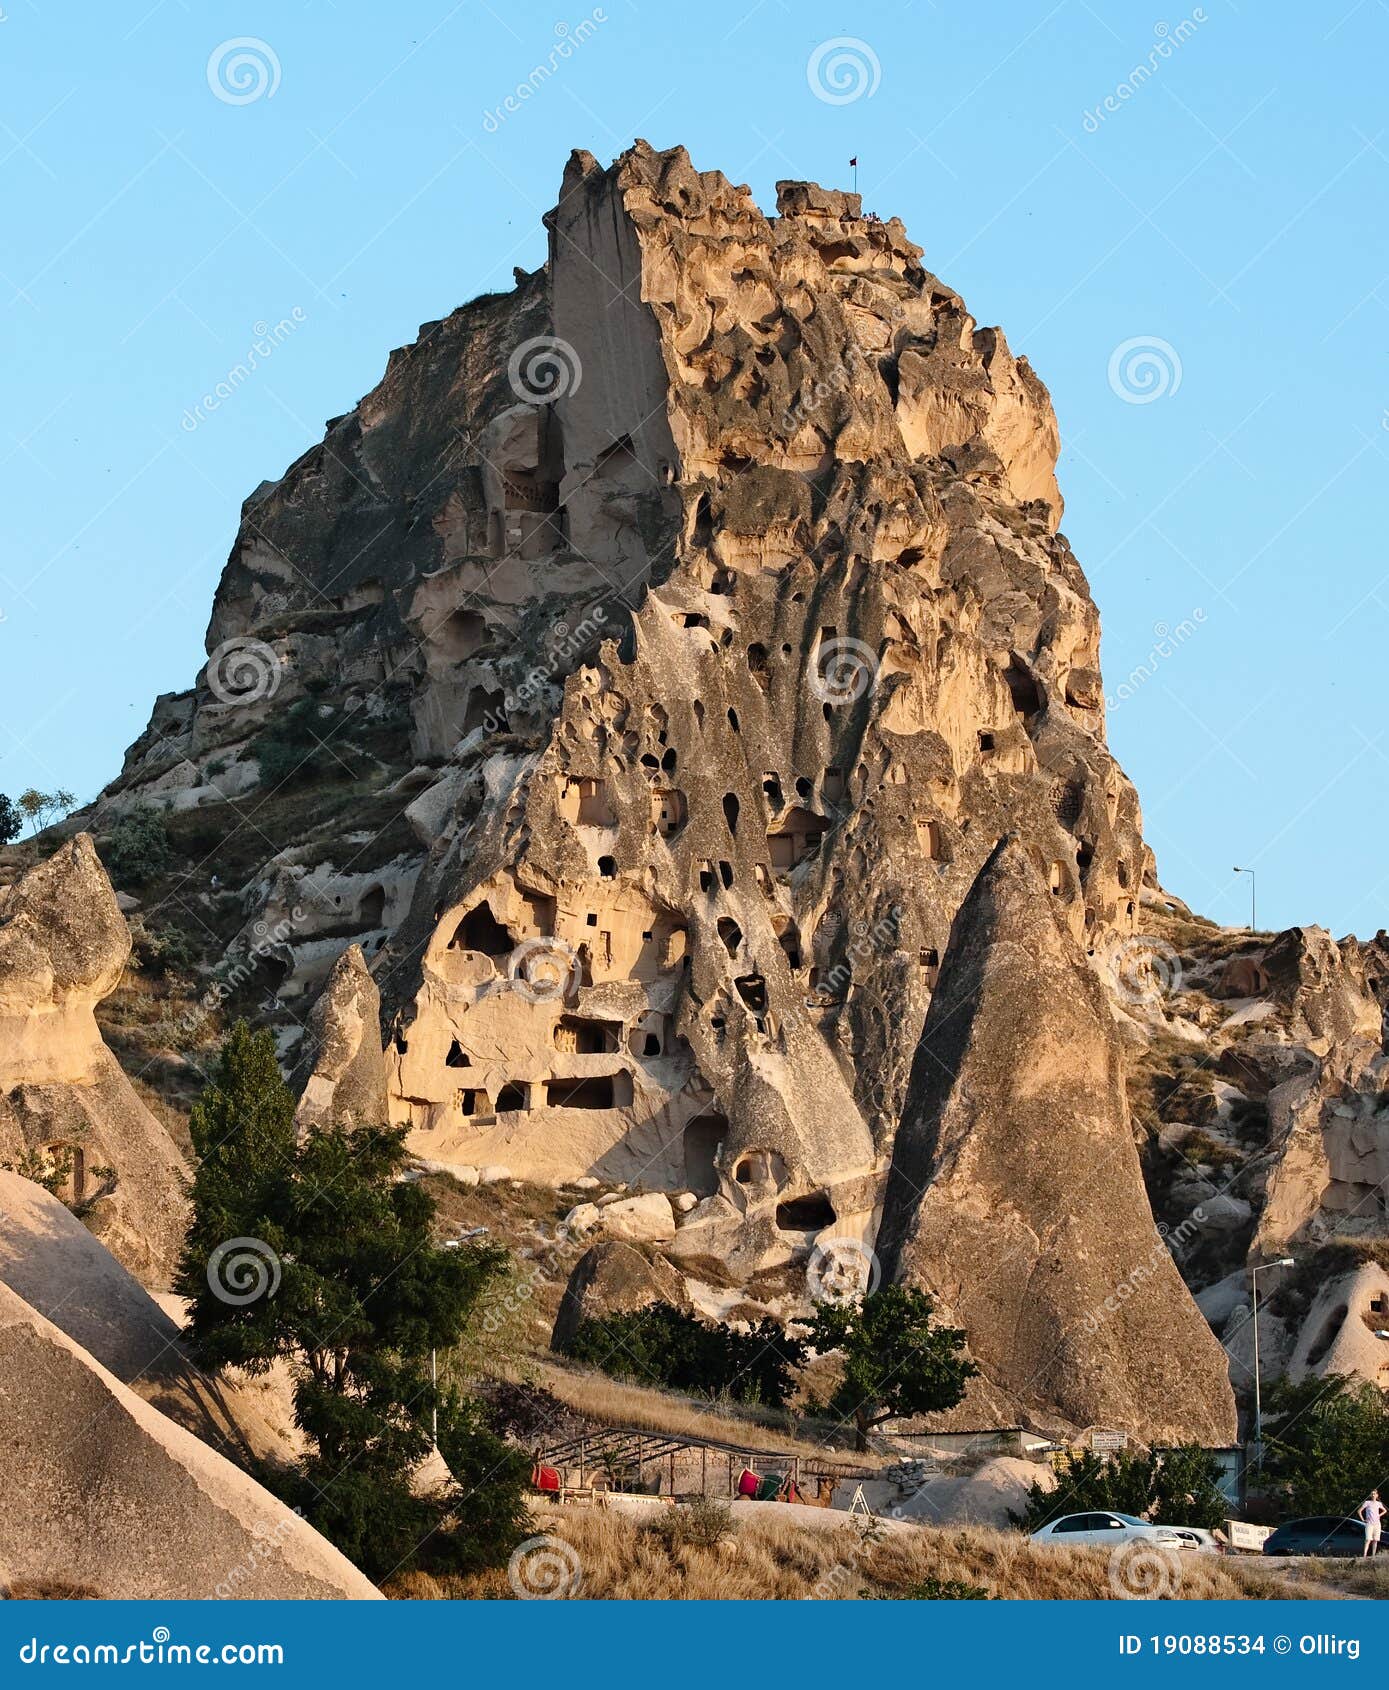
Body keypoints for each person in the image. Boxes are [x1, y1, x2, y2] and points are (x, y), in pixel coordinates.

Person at [1358, 1490, 1385, 1557]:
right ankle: (1364, 1555)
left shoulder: (1379, 1503)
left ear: (1377, 1495)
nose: (1373, 1495)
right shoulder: (1367, 1502)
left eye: (1374, 1494)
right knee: (1368, 1539)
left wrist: (1379, 1515)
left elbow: (1385, 1510)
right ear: (1370, 1495)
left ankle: (1373, 1555)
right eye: (1372, 1494)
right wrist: (1363, 1520)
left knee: (1375, 1540)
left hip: (1377, 1524)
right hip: (1369, 1523)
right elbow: (1359, 1511)